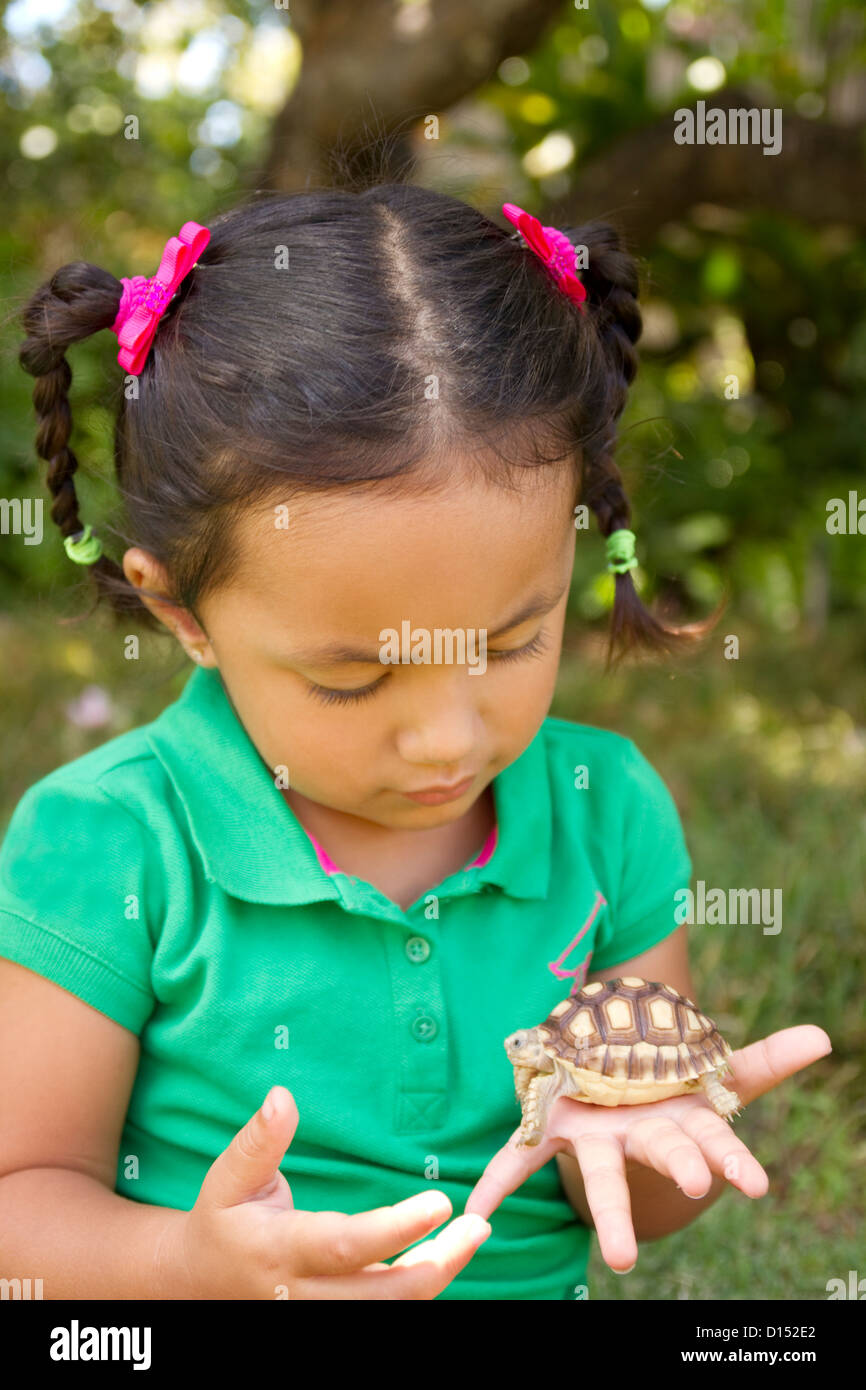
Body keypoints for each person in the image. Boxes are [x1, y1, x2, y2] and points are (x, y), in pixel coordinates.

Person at [0, 180, 830, 1300]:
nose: (447, 737)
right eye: (352, 676)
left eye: (512, 639)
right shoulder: (108, 842)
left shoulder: (606, 809)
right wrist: (188, 1266)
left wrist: (651, 1118)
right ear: (181, 611)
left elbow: (643, 1207)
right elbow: (21, 1198)